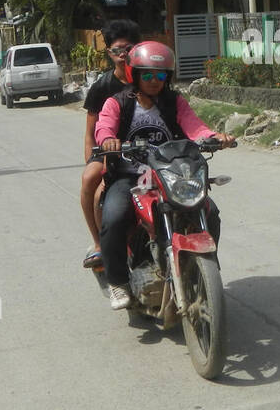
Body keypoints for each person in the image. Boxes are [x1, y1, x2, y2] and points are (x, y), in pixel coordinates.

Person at [94, 41, 233, 310]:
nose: (154, 80)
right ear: (135, 74)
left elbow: (196, 128)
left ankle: (205, 268)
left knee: (209, 210)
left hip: (171, 175)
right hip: (131, 177)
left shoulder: (174, 101)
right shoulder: (117, 103)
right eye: (147, 74)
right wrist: (109, 140)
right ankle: (118, 282)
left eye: (160, 75)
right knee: (113, 217)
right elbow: (104, 128)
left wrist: (214, 137)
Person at [80, 20, 141, 270]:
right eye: (117, 50)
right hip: (110, 149)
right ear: (109, 53)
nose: (122, 55)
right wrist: (96, 160)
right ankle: (99, 244)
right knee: (91, 180)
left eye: (128, 49)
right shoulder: (102, 87)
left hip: (146, 148)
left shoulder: (149, 78)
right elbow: (90, 132)